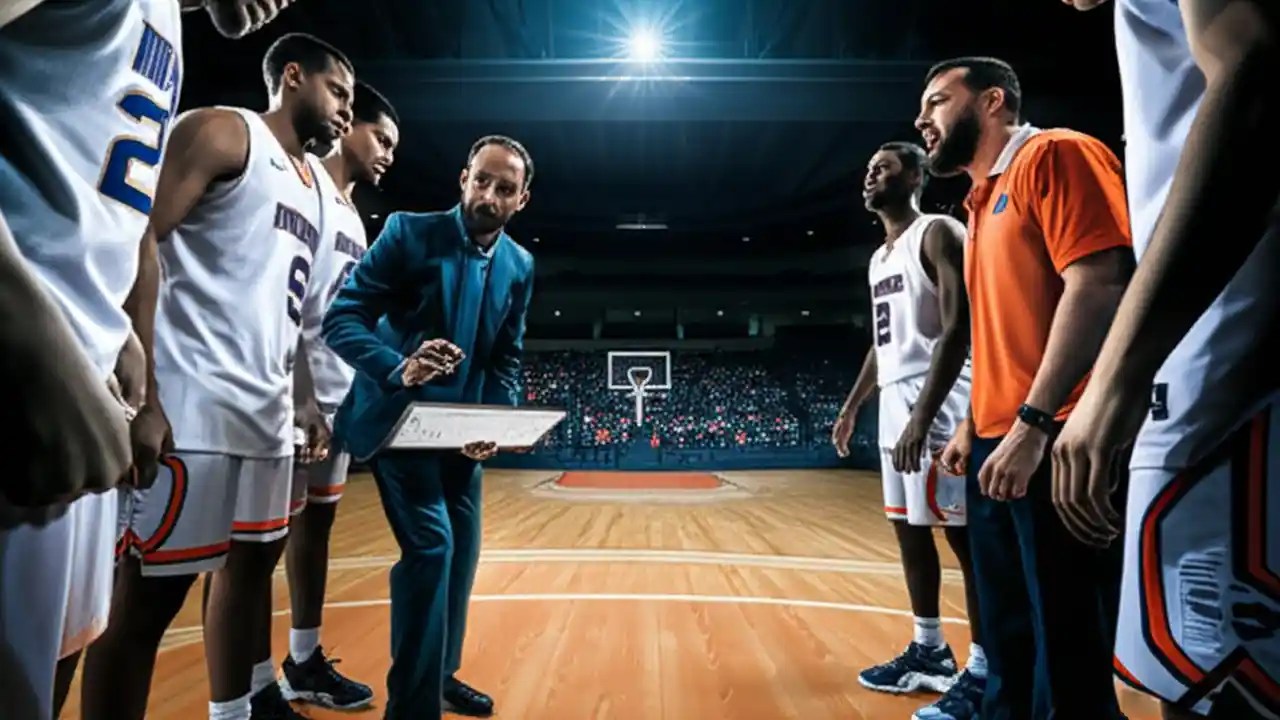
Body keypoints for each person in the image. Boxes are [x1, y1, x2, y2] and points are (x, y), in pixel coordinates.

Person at [0, 2, 292, 719]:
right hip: (30, 369)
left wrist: (124, 330)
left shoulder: (163, 19)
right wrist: (31, 339)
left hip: (86, 367)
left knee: (44, 671)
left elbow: (109, 200)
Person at [79, 32, 353, 720]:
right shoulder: (225, 132)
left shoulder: (318, 191)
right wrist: (144, 392)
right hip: (191, 409)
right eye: (339, 91)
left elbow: (297, 314)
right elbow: (137, 233)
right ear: (293, 76)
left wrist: (304, 401)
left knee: (250, 575)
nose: (347, 110)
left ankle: (234, 713)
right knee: (143, 604)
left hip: (264, 419)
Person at [1053, 1, 1280, 719]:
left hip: (1230, 349)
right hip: (1215, 342)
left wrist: (1117, 376)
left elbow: (1253, 70)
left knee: (1212, 682)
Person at [917, 57, 1135, 720]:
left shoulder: (1054, 154)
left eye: (936, 101)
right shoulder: (979, 202)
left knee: (1066, 647)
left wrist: (1034, 423)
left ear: (993, 100)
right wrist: (972, 422)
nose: (922, 120)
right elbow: (1003, 330)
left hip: (1057, 436)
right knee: (1009, 640)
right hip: (998, 440)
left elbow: (1098, 284)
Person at [321, 134, 537, 719]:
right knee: (432, 548)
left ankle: (439, 676)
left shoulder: (520, 264)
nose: (489, 195)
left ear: (521, 200)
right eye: (482, 180)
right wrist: (400, 366)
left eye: (505, 188)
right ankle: (412, 709)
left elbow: (505, 358)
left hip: (460, 437)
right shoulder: (407, 233)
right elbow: (341, 319)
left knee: (461, 555)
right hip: (399, 423)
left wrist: (497, 420)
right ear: (463, 178)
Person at [832, 141, 986, 720]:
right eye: (868, 169)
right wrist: (853, 406)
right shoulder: (879, 258)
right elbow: (882, 343)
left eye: (884, 168)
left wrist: (924, 416)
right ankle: (930, 650)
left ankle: (985, 668)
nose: (871, 175)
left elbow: (958, 328)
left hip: (940, 396)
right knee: (909, 530)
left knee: (965, 539)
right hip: (896, 399)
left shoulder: (939, 232)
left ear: (917, 176)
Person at [274, 80, 401, 712]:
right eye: (382, 138)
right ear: (349, 126)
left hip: (335, 397)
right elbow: (286, 301)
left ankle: (303, 659)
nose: (388, 154)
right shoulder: (304, 189)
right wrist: (299, 394)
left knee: (315, 529)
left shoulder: (353, 214)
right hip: (289, 397)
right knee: (255, 546)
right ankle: (247, 685)